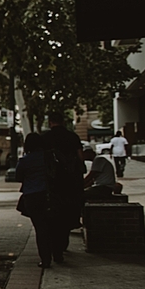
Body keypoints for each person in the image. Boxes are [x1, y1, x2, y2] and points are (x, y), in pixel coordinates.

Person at [42, 112, 85, 263]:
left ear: (50, 122)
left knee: (53, 216)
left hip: (52, 184)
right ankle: (63, 243)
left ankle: (55, 249)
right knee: (67, 214)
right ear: (63, 121)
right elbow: (80, 158)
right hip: (70, 183)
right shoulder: (72, 137)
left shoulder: (45, 138)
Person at [15, 132, 55, 269]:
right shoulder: (49, 157)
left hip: (32, 196)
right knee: (52, 225)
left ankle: (45, 259)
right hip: (50, 195)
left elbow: (18, 177)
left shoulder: (25, 160)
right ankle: (57, 252)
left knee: (40, 228)